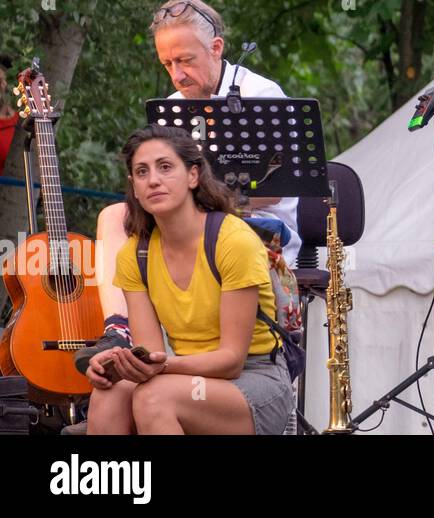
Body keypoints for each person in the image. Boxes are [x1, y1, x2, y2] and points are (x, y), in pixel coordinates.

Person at [75, 0, 300, 375]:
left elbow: (274, 190)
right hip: (188, 233)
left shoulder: (262, 95)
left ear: (216, 48)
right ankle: (119, 329)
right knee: (114, 215)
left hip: (255, 232)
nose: (177, 74)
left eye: (185, 60)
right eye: (167, 63)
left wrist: (194, 198)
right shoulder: (173, 105)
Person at [85, 126, 294, 434]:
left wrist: (162, 365)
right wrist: (121, 363)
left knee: (154, 398)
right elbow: (149, 352)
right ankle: (112, 483)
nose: (153, 179)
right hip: (185, 376)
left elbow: (231, 361)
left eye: (165, 167)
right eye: (141, 172)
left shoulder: (233, 240)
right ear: (134, 187)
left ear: (193, 176)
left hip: (253, 380)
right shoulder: (134, 255)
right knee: (110, 394)